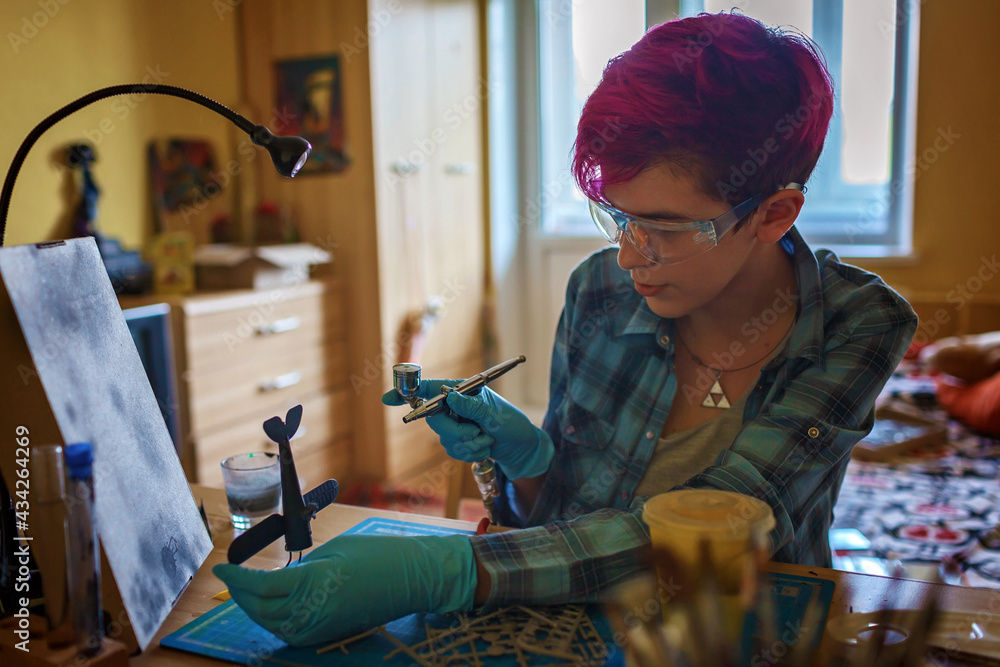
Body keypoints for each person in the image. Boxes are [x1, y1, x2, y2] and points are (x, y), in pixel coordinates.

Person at [214, 11, 917, 646]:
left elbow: (712, 533)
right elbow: (564, 516)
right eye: (617, 215)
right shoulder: (600, 290)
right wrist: (527, 462)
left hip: (743, 632)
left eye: (664, 228)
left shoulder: (856, 324)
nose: (628, 255)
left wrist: (445, 567)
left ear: (773, 214)